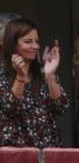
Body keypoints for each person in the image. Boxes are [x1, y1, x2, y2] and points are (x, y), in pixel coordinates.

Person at [0, 17, 65, 148]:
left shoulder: (42, 71)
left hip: (48, 149)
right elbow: (9, 110)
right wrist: (20, 77)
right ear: (13, 44)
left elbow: (61, 107)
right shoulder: (2, 75)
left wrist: (50, 75)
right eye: (28, 41)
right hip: (17, 152)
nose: (35, 46)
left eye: (37, 41)